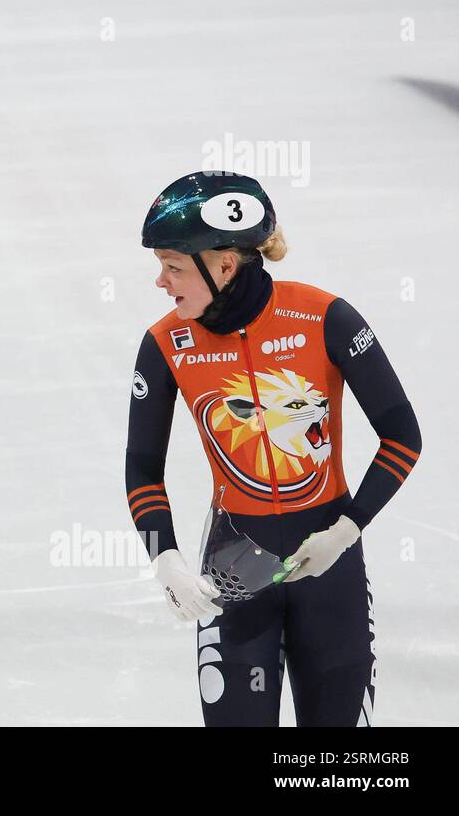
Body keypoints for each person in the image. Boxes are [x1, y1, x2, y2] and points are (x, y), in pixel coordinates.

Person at [125, 171, 421, 726]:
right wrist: (164, 557)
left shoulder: (324, 317)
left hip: (329, 569)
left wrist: (346, 529)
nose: (160, 282)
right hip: (233, 575)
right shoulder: (166, 344)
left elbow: (402, 432)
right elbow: (143, 466)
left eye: (172, 266)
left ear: (225, 265)